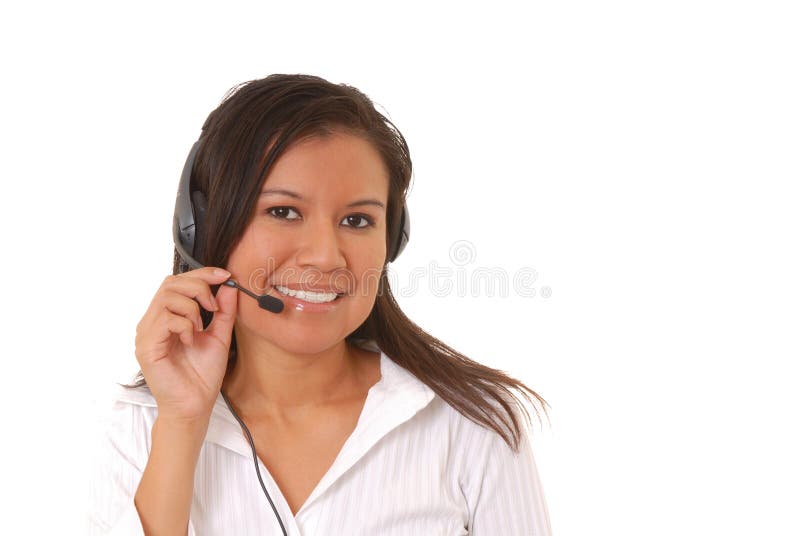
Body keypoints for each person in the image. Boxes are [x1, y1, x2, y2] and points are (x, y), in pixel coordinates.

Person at [87, 73, 552, 535]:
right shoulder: (143, 425)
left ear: (391, 240)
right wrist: (182, 424)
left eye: (357, 219)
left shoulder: (472, 425)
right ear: (203, 229)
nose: (326, 256)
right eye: (283, 212)